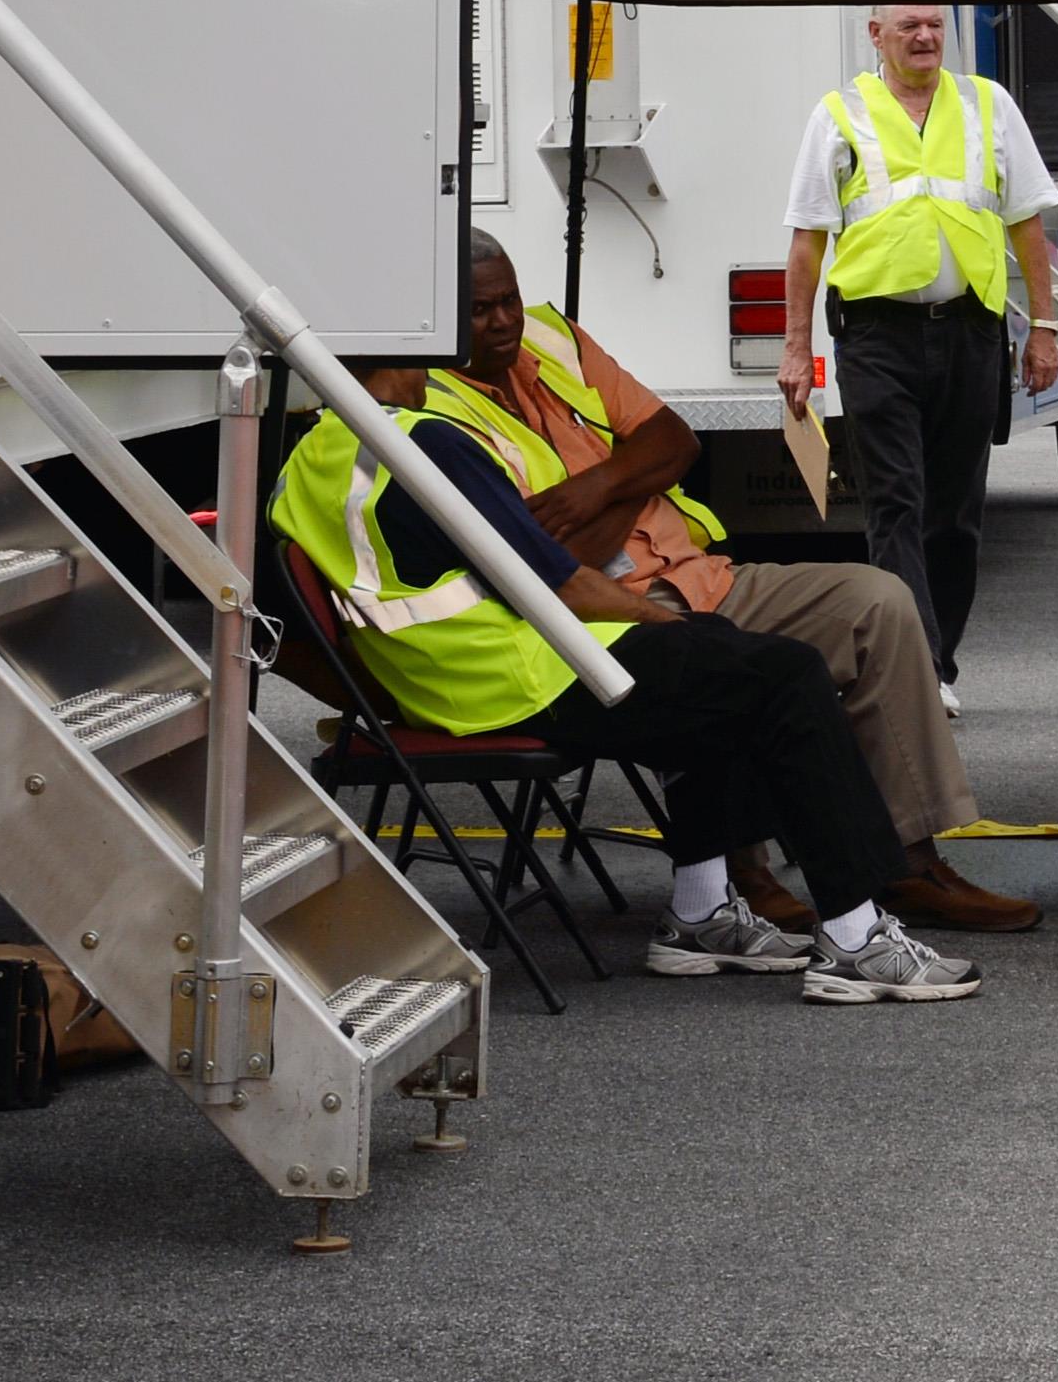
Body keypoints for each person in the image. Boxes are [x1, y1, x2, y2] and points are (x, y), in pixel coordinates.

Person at [272, 325, 982, 1007]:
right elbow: (559, 583)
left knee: (717, 658)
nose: (432, 368)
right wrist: (659, 618)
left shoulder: (304, 464)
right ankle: (856, 939)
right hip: (531, 676)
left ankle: (701, 915)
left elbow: (293, 632)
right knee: (786, 675)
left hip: (444, 688)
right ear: (399, 352)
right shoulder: (422, 442)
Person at [401, 232, 1036, 937]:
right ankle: (744, 877)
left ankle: (909, 863)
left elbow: (676, 441)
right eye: (481, 309)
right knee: (726, 660)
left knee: (878, 601)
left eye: (510, 300)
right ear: (436, 317)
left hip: (695, 571)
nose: (505, 321)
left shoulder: (553, 337)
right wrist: (631, 481)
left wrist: (601, 486)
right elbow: (546, 559)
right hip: (600, 611)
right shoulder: (434, 414)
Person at [778, 5, 1058, 703]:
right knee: (896, 503)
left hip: (970, 332)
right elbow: (807, 241)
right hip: (877, 337)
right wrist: (796, 348)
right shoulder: (839, 113)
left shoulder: (987, 105)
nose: (927, 37)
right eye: (909, 26)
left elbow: (1027, 222)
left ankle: (937, 655)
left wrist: (1046, 328)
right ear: (875, 35)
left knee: (957, 515)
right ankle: (918, 672)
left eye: (935, 25)